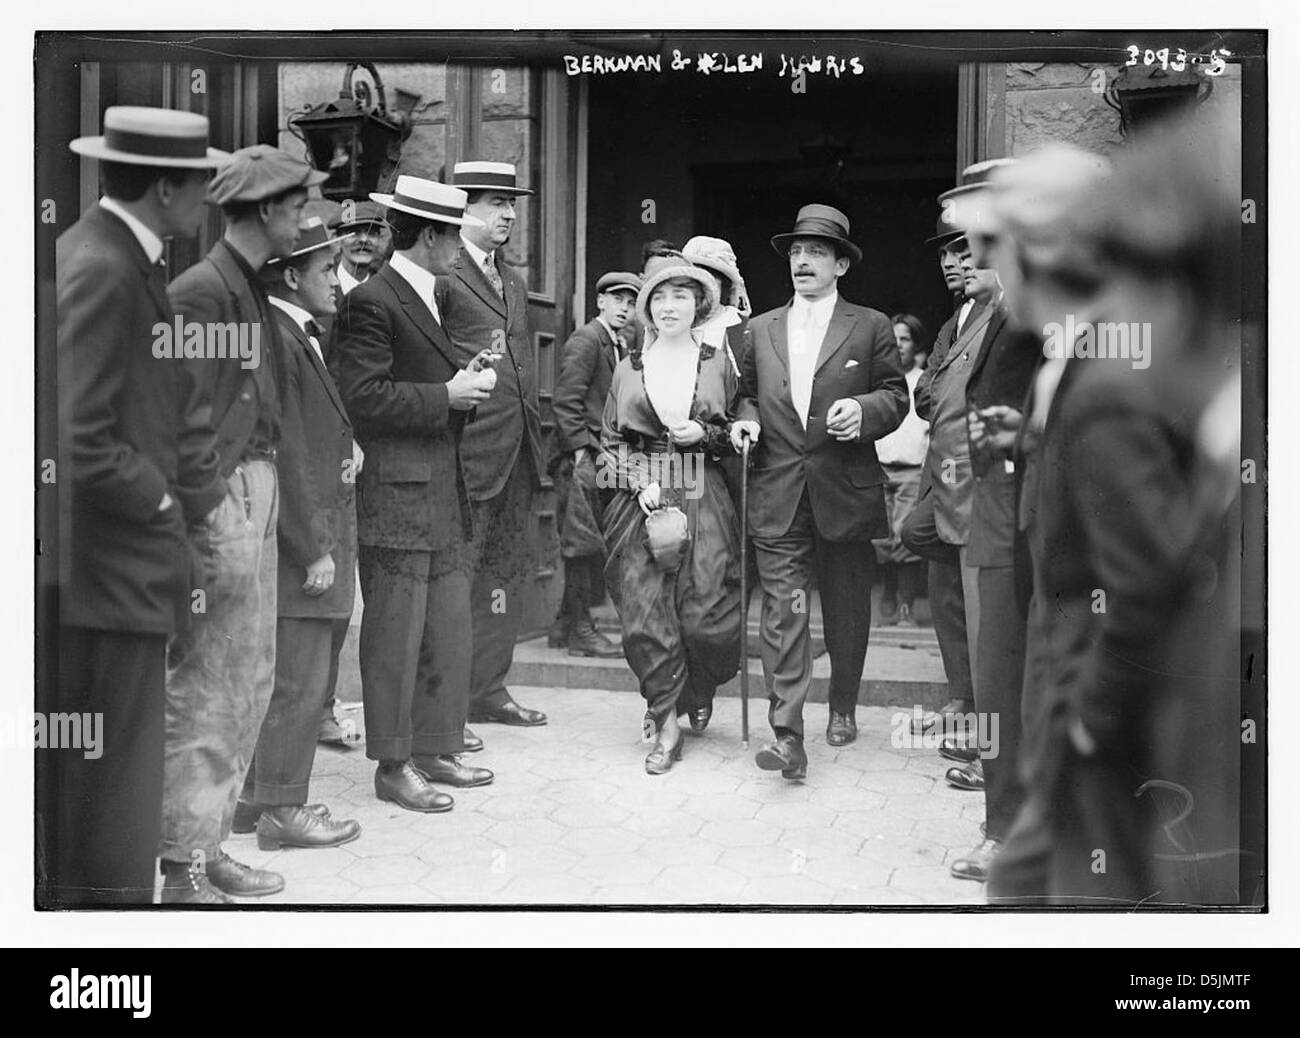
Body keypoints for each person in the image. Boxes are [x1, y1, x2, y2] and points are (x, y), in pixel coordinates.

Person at [987, 130, 1241, 906]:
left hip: (1115, 707)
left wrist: (1090, 714)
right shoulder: (1135, 364)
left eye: (992, 246)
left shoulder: (1116, 379)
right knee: (1028, 877)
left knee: (1076, 890)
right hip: (1090, 690)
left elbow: (1148, 575)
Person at [48, 107, 229, 905]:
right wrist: (161, 500)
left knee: (106, 772)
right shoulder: (105, 266)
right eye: (198, 183)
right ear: (164, 187)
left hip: (115, 569)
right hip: (106, 570)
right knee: (113, 781)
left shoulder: (123, 255)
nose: (208, 199)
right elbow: (74, 439)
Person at [163, 144, 323, 903]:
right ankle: (183, 865)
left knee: (248, 679)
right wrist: (210, 514)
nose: (306, 218)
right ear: (264, 211)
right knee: (207, 686)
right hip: (223, 499)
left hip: (253, 492)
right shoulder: (202, 292)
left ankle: (211, 843)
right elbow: (180, 421)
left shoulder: (247, 290)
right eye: (296, 206)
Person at [334, 175, 499, 810]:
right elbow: (362, 398)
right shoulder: (373, 300)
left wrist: (460, 389)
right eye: (454, 235)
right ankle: (392, 763)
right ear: (429, 236)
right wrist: (446, 396)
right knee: (396, 636)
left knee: (444, 628)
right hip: (397, 498)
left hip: (437, 493)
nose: (462, 247)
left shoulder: (425, 295)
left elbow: (412, 389)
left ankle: (433, 747)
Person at [732, 204, 908, 776]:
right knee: (783, 612)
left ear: (840, 265)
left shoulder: (871, 325)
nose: (803, 262)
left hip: (845, 487)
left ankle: (844, 705)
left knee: (846, 607)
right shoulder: (757, 329)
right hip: (778, 488)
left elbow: (895, 395)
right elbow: (747, 395)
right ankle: (787, 734)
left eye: (816, 253)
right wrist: (746, 420)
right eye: (796, 253)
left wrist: (862, 408)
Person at [228, 216, 364, 850]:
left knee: (285, 675)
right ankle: (286, 811)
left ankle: (258, 799)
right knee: (299, 681)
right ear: (290, 276)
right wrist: (313, 549)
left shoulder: (292, 333)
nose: (336, 283)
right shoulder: (283, 338)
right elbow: (284, 451)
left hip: (304, 532)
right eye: (324, 270)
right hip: (301, 542)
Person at [599, 255, 741, 774]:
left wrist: (706, 435)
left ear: (699, 303)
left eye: (680, 295)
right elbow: (609, 444)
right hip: (643, 496)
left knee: (708, 618)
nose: (668, 306)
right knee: (644, 615)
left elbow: (738, 426)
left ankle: (699, 684)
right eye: (657, 297)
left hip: (704, 490)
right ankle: (664, 718)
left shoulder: (716, 362)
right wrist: (640, 480)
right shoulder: (626, 368)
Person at [437, 160, 548, 730]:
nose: (507, 213)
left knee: (503, 578)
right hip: (467, 456)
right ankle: (447, 704)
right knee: (458, 582)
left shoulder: (512, 281)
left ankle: (489, 689)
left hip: (516, 455)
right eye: (493, 203)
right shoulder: (442, 277)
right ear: (461, 209)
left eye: (511, 204)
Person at [680, 234, 754, 733]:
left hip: (719, 477)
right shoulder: (664, 329)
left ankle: (706, 680)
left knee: (709, 591)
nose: (704, 289)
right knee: (664, 591)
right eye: (693, 279)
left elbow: (751, 397)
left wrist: (729, 430)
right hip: (663, 478)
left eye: (714, 279)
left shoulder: (741, 335)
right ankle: (670, 696)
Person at [549, 270, 640, 657]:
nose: (624, 307)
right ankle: (581, 632)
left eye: (631, 302)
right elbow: (566, 400)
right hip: (582, 458)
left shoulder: (622, 342)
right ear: (600, 301)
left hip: (603, 456)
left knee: (588, 540)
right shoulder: (587, 339)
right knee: (582, 544)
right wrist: (581, 452)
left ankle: (563, 626)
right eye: (617, 299)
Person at [872, 313, 929, 626]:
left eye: (904, 339)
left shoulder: (924, 380)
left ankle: (906, 603)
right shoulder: (879, 378)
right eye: (892, 340)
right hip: (880, 469)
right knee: (882, 538)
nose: (898, 346)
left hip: (911, 471)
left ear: (915, 344)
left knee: (905, 536)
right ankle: (889, 592)